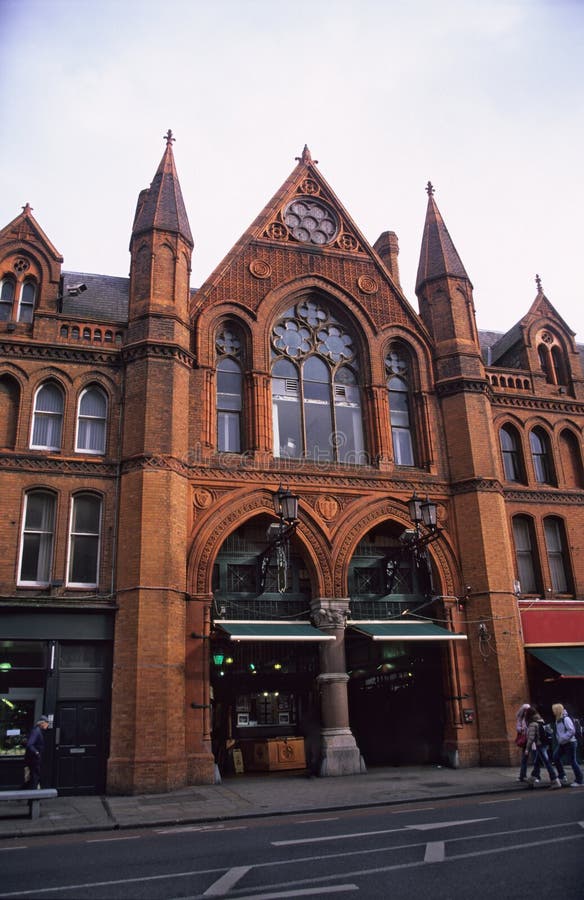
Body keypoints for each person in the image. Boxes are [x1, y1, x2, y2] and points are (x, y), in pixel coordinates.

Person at [524, 706, 561, 788]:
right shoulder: (541, 720)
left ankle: (555, 781)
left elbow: (530, 738)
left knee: (547, 763)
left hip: (540, 745)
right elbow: (550, 731)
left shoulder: (533, 723)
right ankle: (533, 778)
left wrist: (527, 749)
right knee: (537, 762)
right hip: (545, 744)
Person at [551, 703, 584, 787]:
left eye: (554, 709)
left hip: (570, 743)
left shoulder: (566, 719)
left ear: (557, 710)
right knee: (555, 757)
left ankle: (579, 780)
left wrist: (562, 738)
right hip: (563, 743)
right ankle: (562, 776)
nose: (553, 711)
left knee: (573, 762)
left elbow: (572, 730)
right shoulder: (558, 719)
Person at [24, 715, 50, 789]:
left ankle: (32, 795)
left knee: (34, 777)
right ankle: (32, 797)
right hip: (33, 760)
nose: (47, 725)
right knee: (34, 777)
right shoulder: (36, 731)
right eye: (46, 723)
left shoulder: (38, 731)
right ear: (42, 723)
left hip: (34, 759)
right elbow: (29, 744)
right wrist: (36, 752)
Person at [515, 703, 531, 782]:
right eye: (525, 710)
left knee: (538, 759)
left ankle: (536, 776)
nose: (526, 712)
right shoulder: (520, 719)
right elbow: (517, 728)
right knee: (524, 758)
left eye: (527, 710)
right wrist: (521, 729)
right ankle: (522, 776)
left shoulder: (531, 718)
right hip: (525, 741)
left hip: (533, 741)